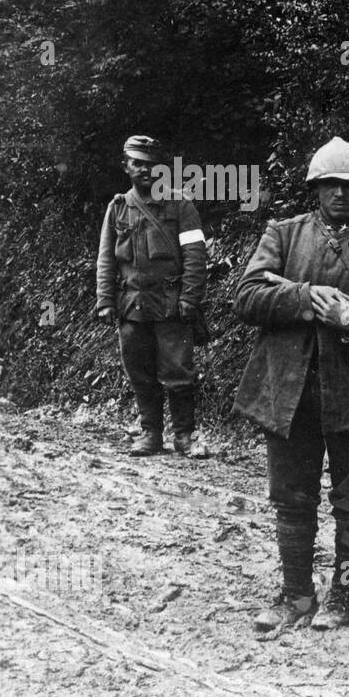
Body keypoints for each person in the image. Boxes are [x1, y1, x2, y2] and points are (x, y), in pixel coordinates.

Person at [234, 137, 349, 632]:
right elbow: (247, 297)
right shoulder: (284, 234)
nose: (340, 194)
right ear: (316, 187)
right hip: (287, 392)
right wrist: (305, 296)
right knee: (291, 496)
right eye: (330, 184)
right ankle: (295, 594)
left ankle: (345, 594)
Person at [95, 135, 208, 457]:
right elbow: (106, 258)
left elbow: (195, 256)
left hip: (171, 304)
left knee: (179, 373)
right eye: (137, 163)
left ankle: (185, 436)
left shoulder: (181, 205)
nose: (144, 170)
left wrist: (190, 298)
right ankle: (151, 434)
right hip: (132, 305)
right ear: (126, 166)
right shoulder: (117, 208)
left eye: (150, 164)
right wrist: (105, 300)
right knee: (140, 372)